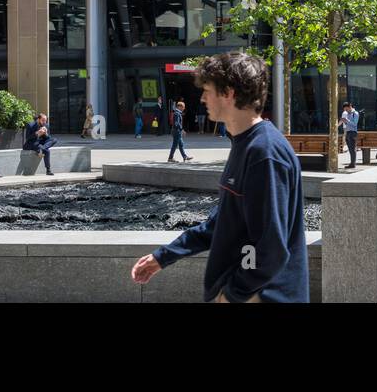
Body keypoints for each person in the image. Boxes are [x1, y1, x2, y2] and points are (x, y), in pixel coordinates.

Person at [131, 51, 309, 302]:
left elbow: (270, 248)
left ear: (229, 93)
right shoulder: (245, 143)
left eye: (208, 90)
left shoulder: (264, 153)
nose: (202, 97)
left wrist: (234, 293)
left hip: (260, 297)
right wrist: (164, 256)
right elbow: (223, 222)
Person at [339, 101, 360, 168]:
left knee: (353, 149)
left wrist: (347, 120)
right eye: (345, 110)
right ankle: (352, 163)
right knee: (350, 149)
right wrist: (344, 121)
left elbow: (355, 124)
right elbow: (348, 123)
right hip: (348, 132)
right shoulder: (348, 113)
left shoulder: (355, 113)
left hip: (353, 132)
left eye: (346, 109)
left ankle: (353, 164)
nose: (346, 111)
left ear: (350, 107)